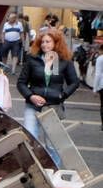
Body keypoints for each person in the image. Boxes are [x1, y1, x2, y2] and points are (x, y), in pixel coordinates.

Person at [17, 26, 79, 156]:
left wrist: (63, 95)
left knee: (53, 145)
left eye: (48, 41)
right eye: (43, 42)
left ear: (56, 43)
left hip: (53, 108)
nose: (45, 44)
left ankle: (54, 173)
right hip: (33, 106)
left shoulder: (64, 61)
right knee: (29, 141)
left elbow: (74, 82)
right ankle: (34, 171)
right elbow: (21, 83)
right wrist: (31, 96)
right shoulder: (32, 59)